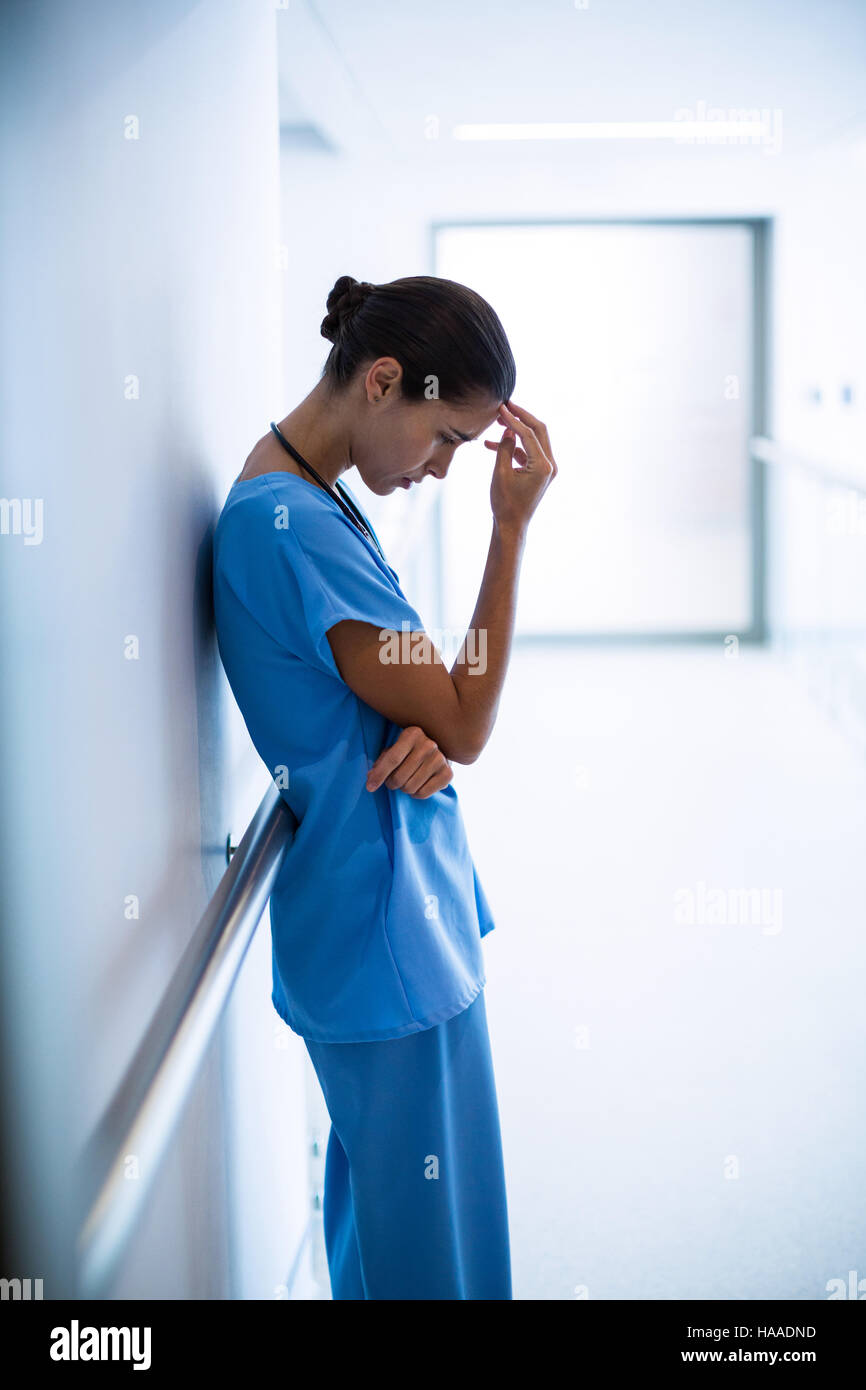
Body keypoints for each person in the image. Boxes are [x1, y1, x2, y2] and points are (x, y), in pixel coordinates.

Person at [212, 273, 557, 1300]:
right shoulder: (292, 523)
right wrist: (510, 528)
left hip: (389, 920)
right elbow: (461, 713)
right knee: (430, 1259)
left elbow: (421, 710)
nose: (446, 468)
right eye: (443, 436)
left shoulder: (297, 493)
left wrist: (426, 724)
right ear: (380, 380)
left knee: (387, 1236)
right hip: (384, 930)